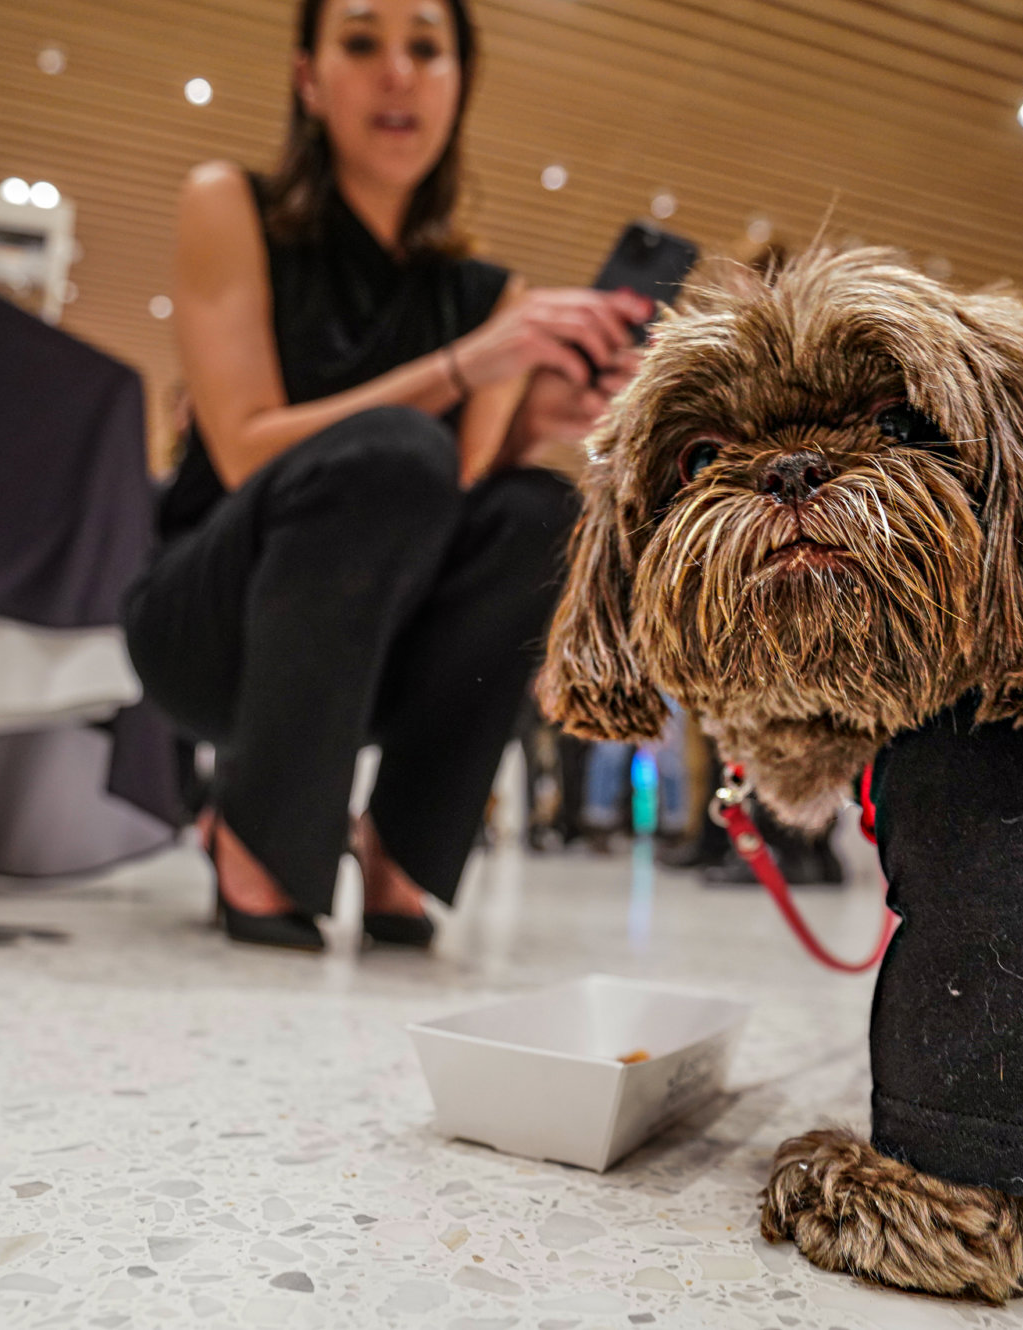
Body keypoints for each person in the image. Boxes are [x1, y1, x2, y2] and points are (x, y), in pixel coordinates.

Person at [124, 0, 647, 950]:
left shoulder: (489, 297)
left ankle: (404, 844)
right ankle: (259, 833)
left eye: (426, 49)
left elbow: (468, 489)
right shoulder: (226, 204)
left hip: (365, 642)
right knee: (397, 450)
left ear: (459, 83)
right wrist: (464, 368)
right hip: (211, 627)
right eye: (362, 43)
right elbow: (243, 447)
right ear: (307, 79)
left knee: (539, 507)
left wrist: (543, 412)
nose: (397, 72)